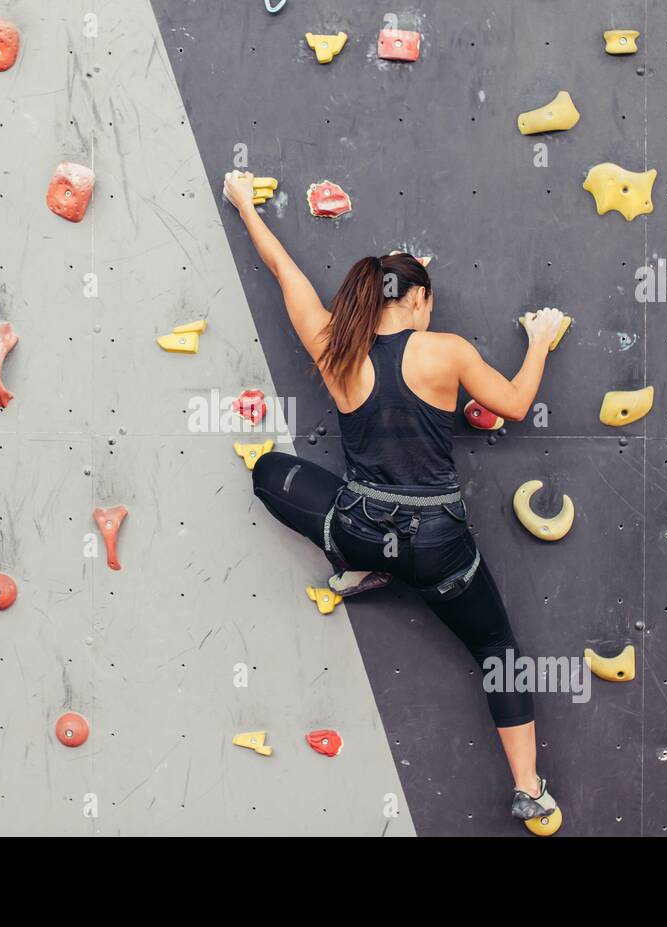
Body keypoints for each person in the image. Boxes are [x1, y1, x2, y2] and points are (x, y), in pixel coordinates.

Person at [221, 170, 565, 827]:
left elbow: (280, 265)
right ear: (419, 301)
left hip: (359, 526)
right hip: (440, 551)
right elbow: (516, 403)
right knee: (496, 647)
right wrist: (540, 341)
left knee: (269, 472)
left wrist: (242, 201)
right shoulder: (446, 350)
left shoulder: (333, 345)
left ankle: (364, 569)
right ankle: (530, 790)